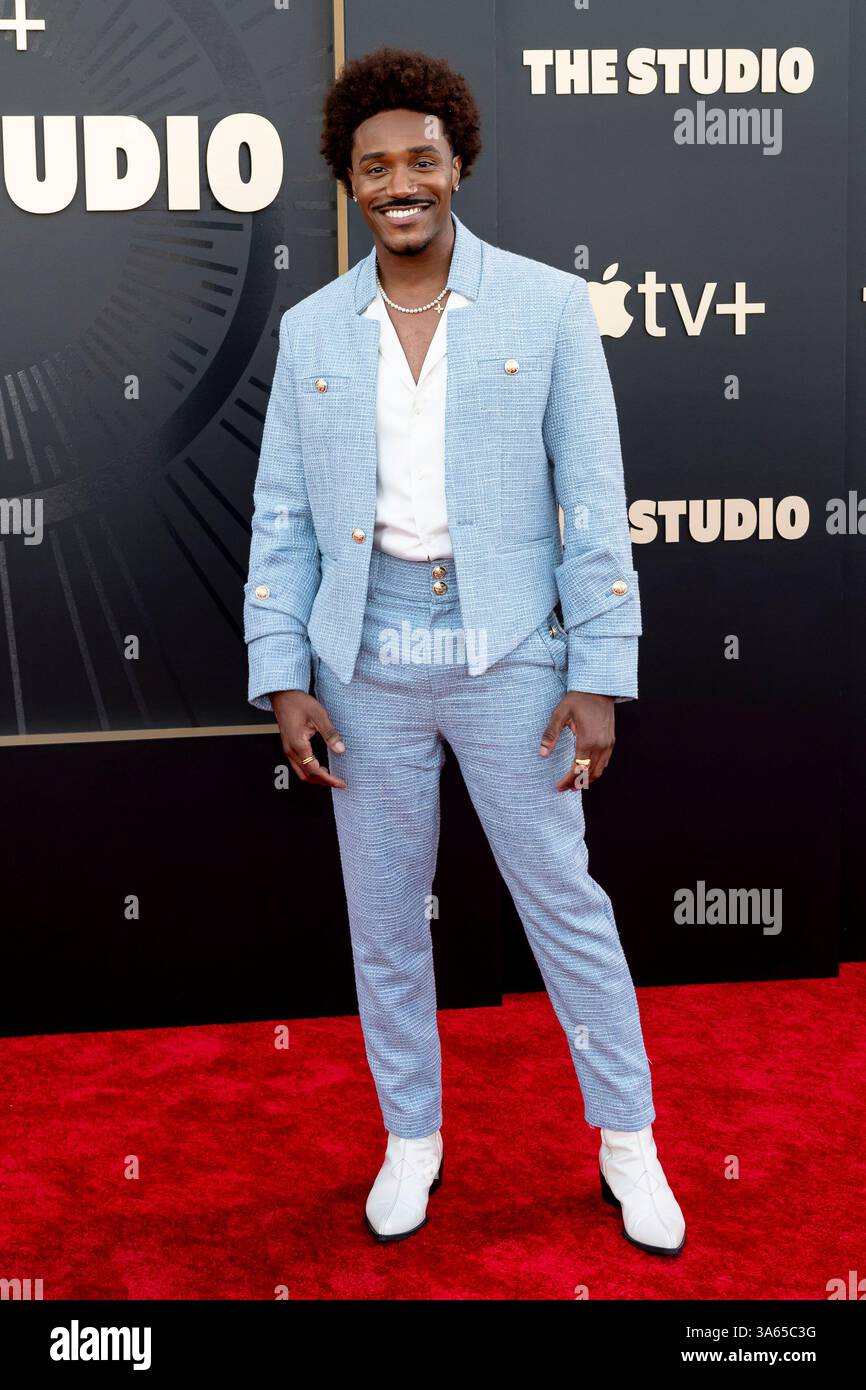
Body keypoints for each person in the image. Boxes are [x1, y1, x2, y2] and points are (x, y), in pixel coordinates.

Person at [244, 45, 685, 1256]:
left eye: (420, 160)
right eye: (373, 164)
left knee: (564, 902)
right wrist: (284, 673)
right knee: (383, 914)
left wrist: (598, 671)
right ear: (346, 181)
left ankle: (627, 1140)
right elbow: (280, 516)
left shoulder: (544, 307)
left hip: (512, 658)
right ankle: (411, 1138)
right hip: (362, 659)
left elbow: (593, 502)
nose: (399, 181)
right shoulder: (311, 327)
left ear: (456, 167)